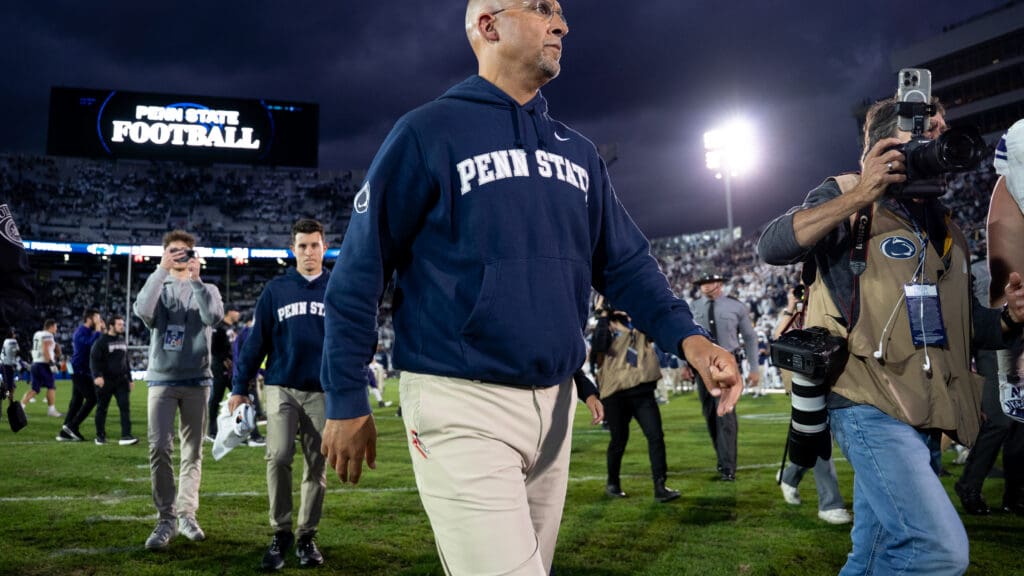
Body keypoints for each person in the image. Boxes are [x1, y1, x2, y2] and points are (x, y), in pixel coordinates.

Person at [318, 3, 743, 574]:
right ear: (488, 26)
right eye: (541, 8)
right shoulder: (425, 132)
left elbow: (625, 265)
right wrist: (346, 395)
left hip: (557, 402)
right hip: (460, 396)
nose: (561, 24)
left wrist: (691, 340)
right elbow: (359, 272)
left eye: (560, 12)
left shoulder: (578, 151)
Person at [757, 97, 1024, 575]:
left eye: (943, 130)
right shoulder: (848, 197)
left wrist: (1012, 319)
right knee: (938, 551)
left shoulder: (950, 231)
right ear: (884, 144)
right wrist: (863, 191)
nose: (939, 139)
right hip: (867, 403)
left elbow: (971, 330)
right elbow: (772, 244)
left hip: (925, 410)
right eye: (926, 130)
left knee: (872, 556)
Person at [228, 219, 331, 570]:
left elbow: (356, 336)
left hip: (322, 389)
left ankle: (307, 536)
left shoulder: (338, 286)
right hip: (281, 386)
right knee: (278, 456)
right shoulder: (276, 289)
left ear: (324, 247)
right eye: (302, 246)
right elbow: (256, 343)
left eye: (314, 245)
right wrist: (239, 388)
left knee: (317, 467)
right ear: (293, 250)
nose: (309, 252)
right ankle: (281, 531)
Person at [134, 230, 223, 550]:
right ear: (164, 254)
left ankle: (186, 513)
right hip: (162, 379)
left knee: (192, 452)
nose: (179, 257)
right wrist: (160, 269)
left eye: (185, 252)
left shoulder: (208, 287)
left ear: (194, 255)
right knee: (158, 448)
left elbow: (213, 317)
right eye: (173, 251)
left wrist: (197, 282)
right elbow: (143, 311)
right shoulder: (158, 285)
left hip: (198, 381)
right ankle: (166, 518)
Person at [956, 118, 1024, 515]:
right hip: (996, 339)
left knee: (1020, 424)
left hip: (1016, 336)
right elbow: (978, 317)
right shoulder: (978, 268)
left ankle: (1015, 493)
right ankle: (970, 484)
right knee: (999, 420)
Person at [772, 286, 851, 524]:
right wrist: (791, 307)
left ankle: (789, 477)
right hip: (805, 382)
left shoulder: (834, 301)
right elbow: (779, 339)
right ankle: (830, 503)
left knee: (813, 439)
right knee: (817, 438)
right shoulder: (798, 312)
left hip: (835, 375)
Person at [593, 306, 680, 503]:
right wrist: (604, 316)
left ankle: (660, 486)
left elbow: (654, 329)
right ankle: (613, 483)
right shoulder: (607, 324)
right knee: (619, 439)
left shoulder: (638, 322)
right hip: (616, 393)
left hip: (642, 391)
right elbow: (599, 345)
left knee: (656, 436)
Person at [690, 272, 759, 481]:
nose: (704, 286)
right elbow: (690, 339)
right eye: (702, 283)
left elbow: (749, 337)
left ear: (718, 283)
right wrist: (685, 365)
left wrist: (754, 368)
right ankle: (723, 460)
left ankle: (728, 467)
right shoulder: (693, 307)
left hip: (729, 366)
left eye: (708, 282)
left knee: (726, 415)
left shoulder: (735, 306)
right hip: (703, 368)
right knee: (710, 415)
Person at [89, 314, 138, 446]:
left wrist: (130, 378)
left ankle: (126, 436)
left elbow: (126, 361)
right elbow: (94, 359)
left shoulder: (122, 340)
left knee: (125, 407)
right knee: (102, 408)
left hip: (121, 381)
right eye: (119, 324)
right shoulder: (101, 341)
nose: (122, 326)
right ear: (111, 326)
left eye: (123, 324)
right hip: (105, 381)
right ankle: (100, 436)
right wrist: (97, 376)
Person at [57, 309, 104, 442]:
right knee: (92, 398)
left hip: (82, 370)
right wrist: (99, 331)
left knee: (76, 402)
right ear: (90, 318)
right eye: (97, 318)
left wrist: (101, 332)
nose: (99, 320)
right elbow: (89, 345)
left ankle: (65, 432)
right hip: (78, 370)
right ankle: (72, 426)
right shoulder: (80, 332)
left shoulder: (88, 332)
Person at [206, 304, 240, 441]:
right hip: (221, 368)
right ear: (229, 312)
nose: (238, 314)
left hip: (233, 370)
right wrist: (225, 360)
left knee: (240, 398)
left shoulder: (233, 328)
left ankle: (239, 428)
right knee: (216, 399)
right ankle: (212, 431)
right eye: (236, 311)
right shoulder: (218, 327)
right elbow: (213, 348)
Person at [22, 319, 62, 417]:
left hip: (35, 364)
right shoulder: (48, 335)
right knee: (51, 387)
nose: (56, 329)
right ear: (51, 326)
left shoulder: (37, 334)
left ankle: (20, 407)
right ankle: (51, 410)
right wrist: (51, 363)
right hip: (43, 364)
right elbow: (45, 349)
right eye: (55, 327)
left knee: (35, 389)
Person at [2, 328, 19, 399]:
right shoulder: (13, 341)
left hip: (3, 363)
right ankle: (7, 396)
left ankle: (6, 394)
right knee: (11, 386)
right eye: (14, 333)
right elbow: (18, 351)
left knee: (9, 384)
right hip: (8, 365)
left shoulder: (5, 341)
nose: (15, 335)